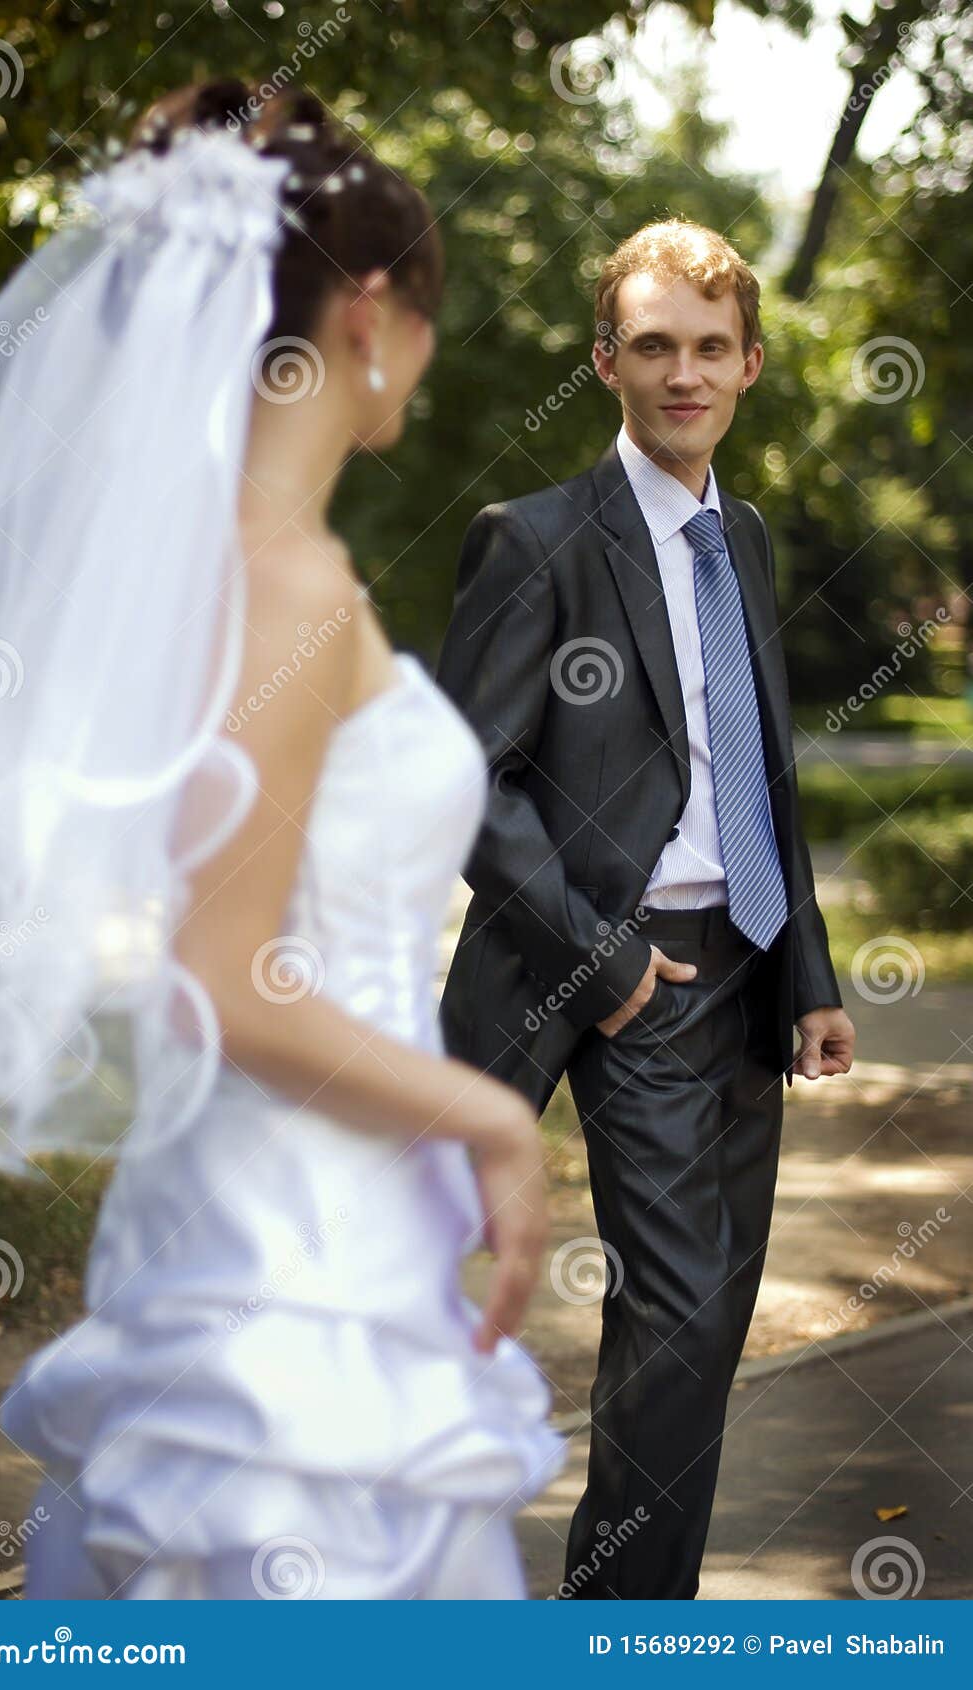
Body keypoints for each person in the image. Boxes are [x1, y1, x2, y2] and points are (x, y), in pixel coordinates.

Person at [0, 78, 564, 1599]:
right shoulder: (288, 585)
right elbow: (228, 975)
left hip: (289, 1216)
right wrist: (494, 1117)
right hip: (290, 1256)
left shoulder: (226, 568)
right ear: (374, 312)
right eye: (429, 320)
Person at [436, 218, 856, 1599]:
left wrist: (810, 972)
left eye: (713, 348)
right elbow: (470, 784)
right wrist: (601, 956)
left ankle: (628, 1617)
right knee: (677, 1322)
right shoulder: (537, 541)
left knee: (709, 1320)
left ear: (747, 367)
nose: (686, 372)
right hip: (622, 975)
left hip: (742, 971)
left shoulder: (745, 537)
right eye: (657, 345)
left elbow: (762, 760)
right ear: (607, 360)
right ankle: (615, 1631)